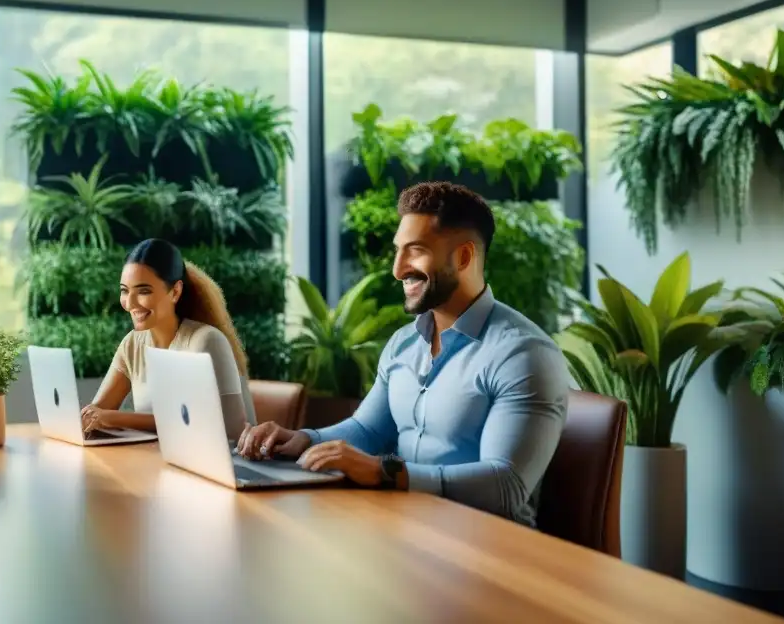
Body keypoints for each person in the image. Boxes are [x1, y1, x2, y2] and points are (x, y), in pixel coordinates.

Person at [237, 182, 570, 527]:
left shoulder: (523, 354)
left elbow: (507, 487)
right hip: (406, 524)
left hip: (489, 547)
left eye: (416, 250)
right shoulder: (403, 344)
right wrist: (303, 439)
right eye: (398, 251)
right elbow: (367, 429)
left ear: (464, 257)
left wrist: (386, 472)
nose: (398, 269)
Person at [81, 238, 257, 440]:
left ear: (175, 292)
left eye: (143, 291)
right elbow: (98, 414)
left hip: (229, 465)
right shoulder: (132, 344)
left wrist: (116, 419)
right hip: (164, 461)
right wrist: (90, 418)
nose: (129, 303)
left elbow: (228, 429)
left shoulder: (205, 341)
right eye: (124, 290)